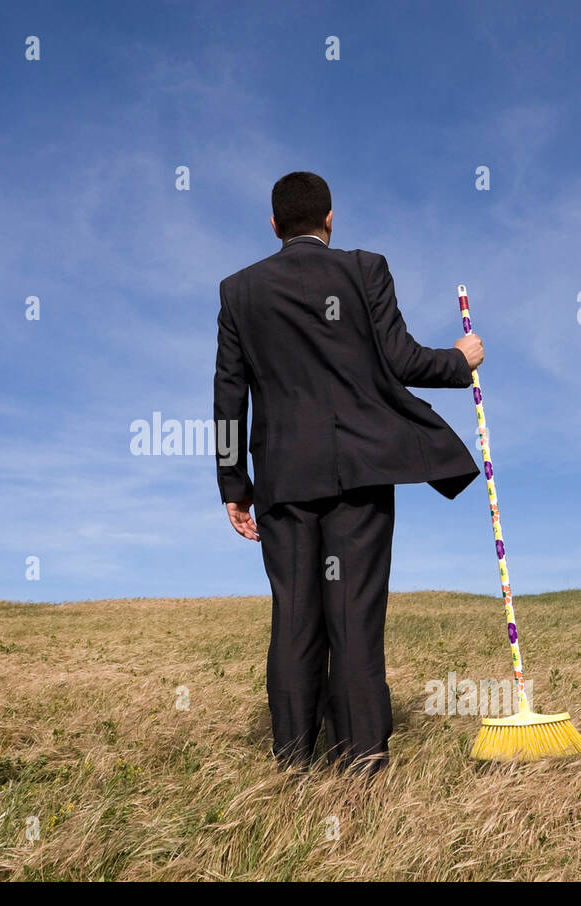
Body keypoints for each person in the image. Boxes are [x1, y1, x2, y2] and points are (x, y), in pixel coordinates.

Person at [213, 171, 486, 776]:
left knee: (294, 616)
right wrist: (460, 361)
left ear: (275, 225)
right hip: (361, 470)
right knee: (354, 614)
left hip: (282, 479)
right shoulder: (365, 269)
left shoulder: (239, 292)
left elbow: (229, 394)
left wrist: (234, 485)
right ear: (330, 219)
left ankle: (292, 762)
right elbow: (402, 359)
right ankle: (362, 761)